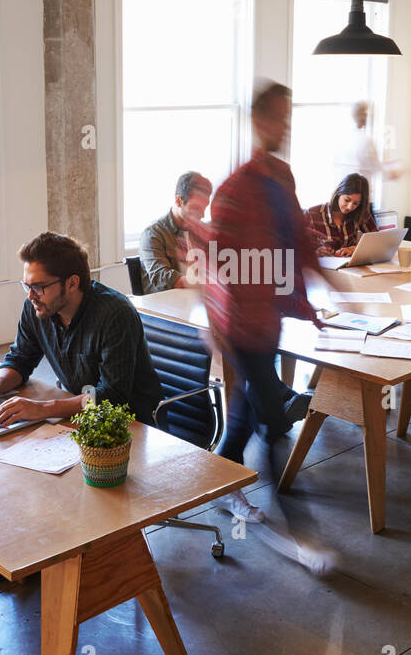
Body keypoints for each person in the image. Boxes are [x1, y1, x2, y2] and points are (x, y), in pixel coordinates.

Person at [0, 231, 163, 583]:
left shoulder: (113, 314)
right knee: (6, 454)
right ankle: (17, 553)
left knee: (34, 459)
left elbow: (112, 396)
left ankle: (50, 560)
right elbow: (20, 358)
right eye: (26, 286)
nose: (30, 295)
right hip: (78, 417)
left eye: (39, 286)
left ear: (72, 283)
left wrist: (44, 409)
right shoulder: (36, 307)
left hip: (129, 426)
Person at [205, 80, 319, 522]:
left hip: (270, 317)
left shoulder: (283, 176)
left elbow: (299, 237)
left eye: (289, 117)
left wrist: (325, 282)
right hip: (240, 322)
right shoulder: (233, 188)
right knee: (271, 412)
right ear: (257, 121)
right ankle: (291, 510)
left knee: (250, 410)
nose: (285, 126)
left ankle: (216, 480)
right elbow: (220, 262)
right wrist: (215, 322)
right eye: (278, 117)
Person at [139, 171, 212, 293]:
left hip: (192, 302)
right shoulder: (153, 234)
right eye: (196, 208)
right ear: (179, 201)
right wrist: (199, 282)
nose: (202, 215)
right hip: (163, 306)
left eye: (204, 208)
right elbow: (160, 276)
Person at [305, 172, 378, 258]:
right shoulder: (312, 214)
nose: (350, 207)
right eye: (347, 200)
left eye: (356, 203)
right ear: (339, 193)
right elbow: (293, 247)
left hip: (349, 269)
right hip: (323, 269)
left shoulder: (361, 213)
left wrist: (354, 249)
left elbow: (377, 242)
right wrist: (315, 252)